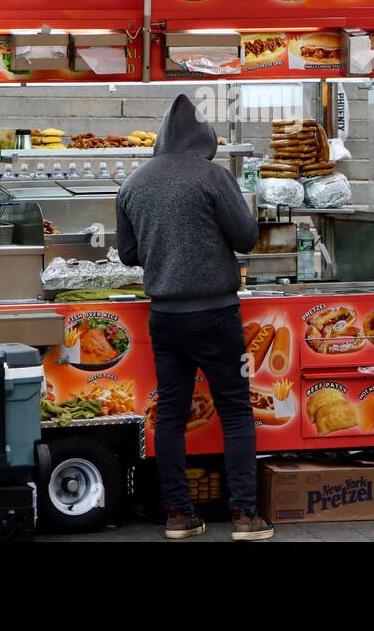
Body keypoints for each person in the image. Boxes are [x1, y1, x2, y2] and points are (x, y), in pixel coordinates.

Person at [115, 94, 271, 541]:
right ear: (204, 139)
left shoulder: (134, 183)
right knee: (236, 412)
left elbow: (128, 254)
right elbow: (246, 238)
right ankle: (244, 516)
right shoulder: (213, 176)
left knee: (170, 417)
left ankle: (178, 516)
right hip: (217, 315)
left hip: (165, 318)